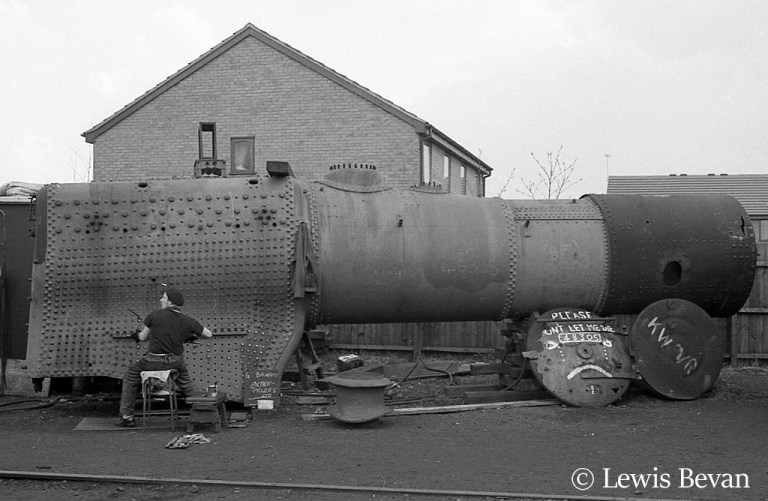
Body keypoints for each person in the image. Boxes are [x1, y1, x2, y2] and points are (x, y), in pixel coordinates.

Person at [116, 287, 212, 427]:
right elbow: (208, 334)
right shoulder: (188, 320)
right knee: (187, 384)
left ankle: (127, 416)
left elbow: (142, 337)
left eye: (164, 297)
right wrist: (188, 337)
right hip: (175, 361)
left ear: (170, 302)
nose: (161, 299)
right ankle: (205, 411)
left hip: (153, 361)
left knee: (131, 375)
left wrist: (135, 335)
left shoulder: (155, 315)